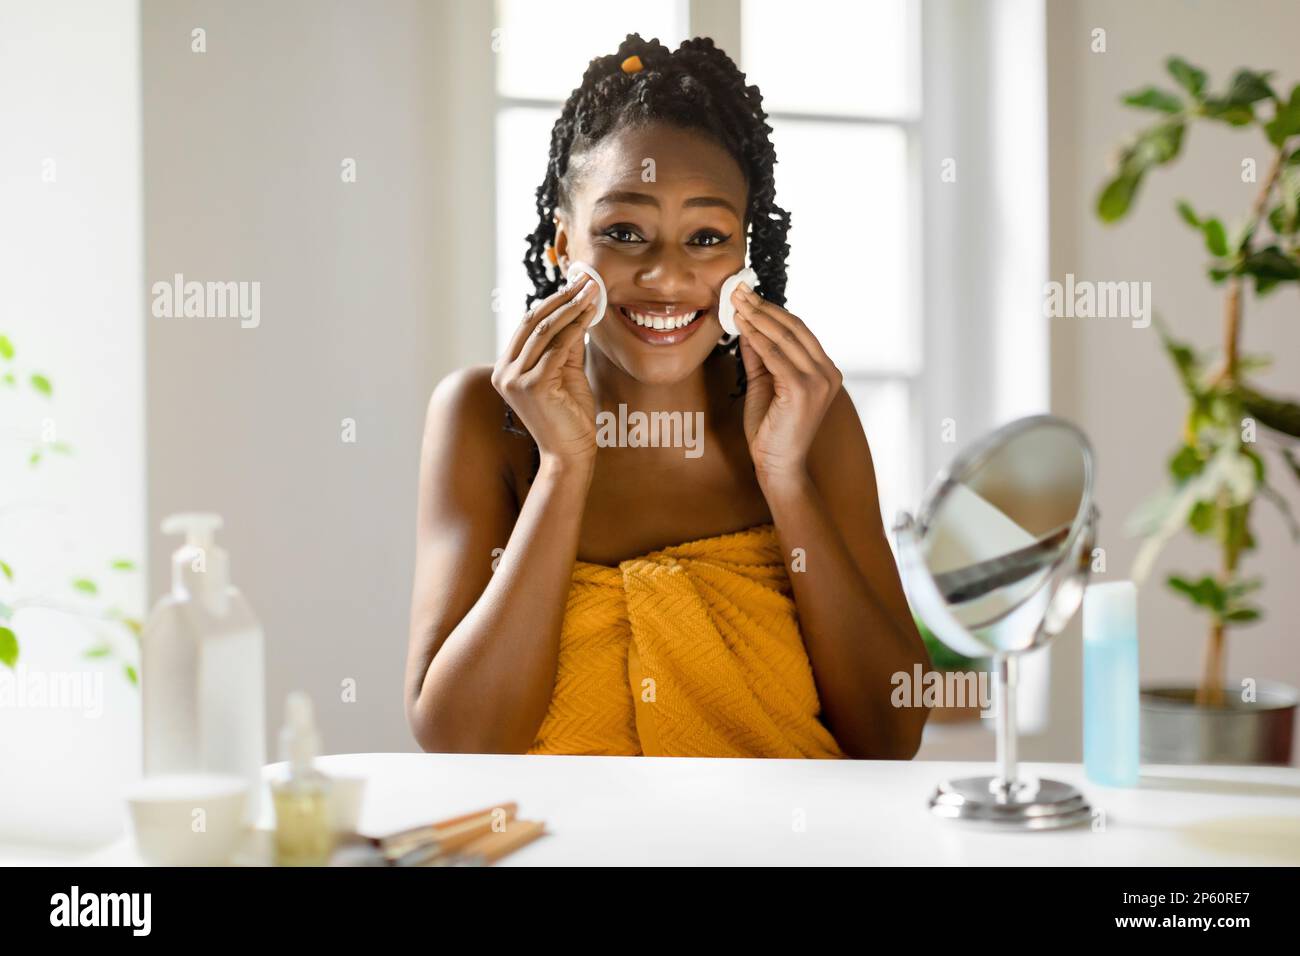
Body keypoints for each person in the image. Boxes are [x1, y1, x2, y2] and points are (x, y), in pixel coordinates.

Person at [405, 35, 930, 758]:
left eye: (706, 237)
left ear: (746, 255)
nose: (665, 275)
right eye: (625, 231)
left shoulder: (811, 416)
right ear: (562, 245)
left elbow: (891, 735)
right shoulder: (481, 417)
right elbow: (461, 743)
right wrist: (562, 468)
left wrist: (785, 478)